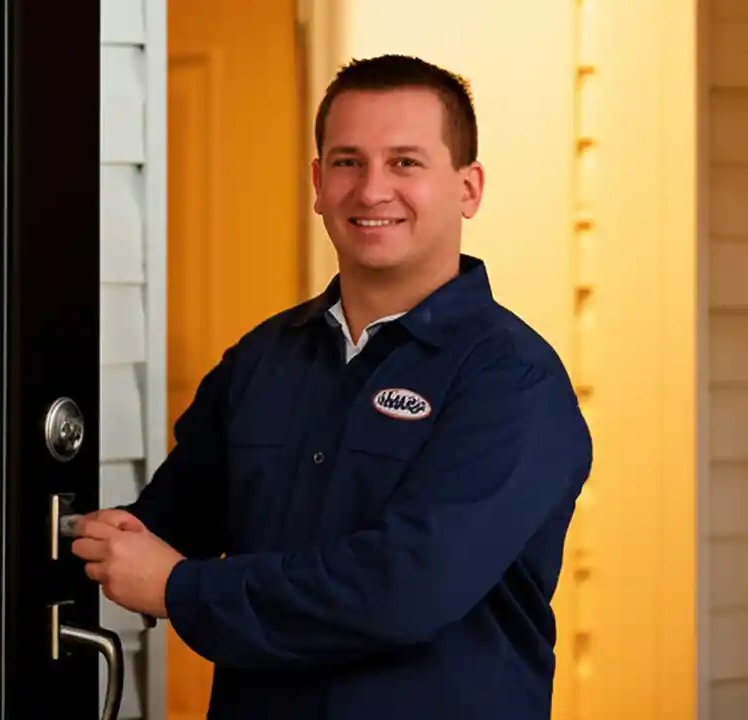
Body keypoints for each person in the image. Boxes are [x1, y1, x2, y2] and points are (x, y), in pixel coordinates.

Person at [70, 54, 593, 719]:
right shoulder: (263, 359)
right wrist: (83, 537)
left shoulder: (513, 382)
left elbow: (405, 588)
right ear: (318, 183)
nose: (372, 190)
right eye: (348, 162)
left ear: (468, 188)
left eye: (405, 162)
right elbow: (170, 523)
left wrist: (178, 589)